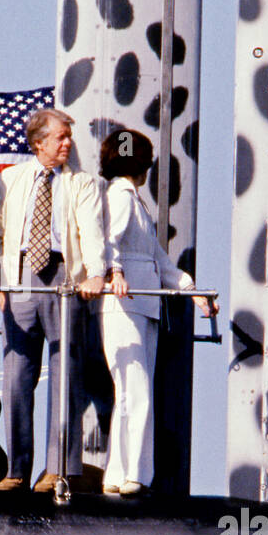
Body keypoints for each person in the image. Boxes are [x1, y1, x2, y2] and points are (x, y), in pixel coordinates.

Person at [0, 108, 107, 493]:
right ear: (39, 143)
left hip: (62, 277)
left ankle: (58, 468)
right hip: (19, 275)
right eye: (61, 137)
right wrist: (0, 285)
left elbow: (91, 232)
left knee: (64, 373)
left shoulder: (82, 184)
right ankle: (17, 468)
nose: (68, 144)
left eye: (69, 137)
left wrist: (96, 272)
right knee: (17, 375)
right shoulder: (10, 179)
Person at [98, 128, 216, 496]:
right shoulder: (121, 196)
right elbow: (108, 240)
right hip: (126, 301)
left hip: (143, 302)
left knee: (131, 392)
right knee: (136, 390)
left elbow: (159, 260)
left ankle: (119, 473)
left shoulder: (135, 201)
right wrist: (115, 272)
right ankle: (135, 474)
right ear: (141, 165)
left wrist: (190, 290)